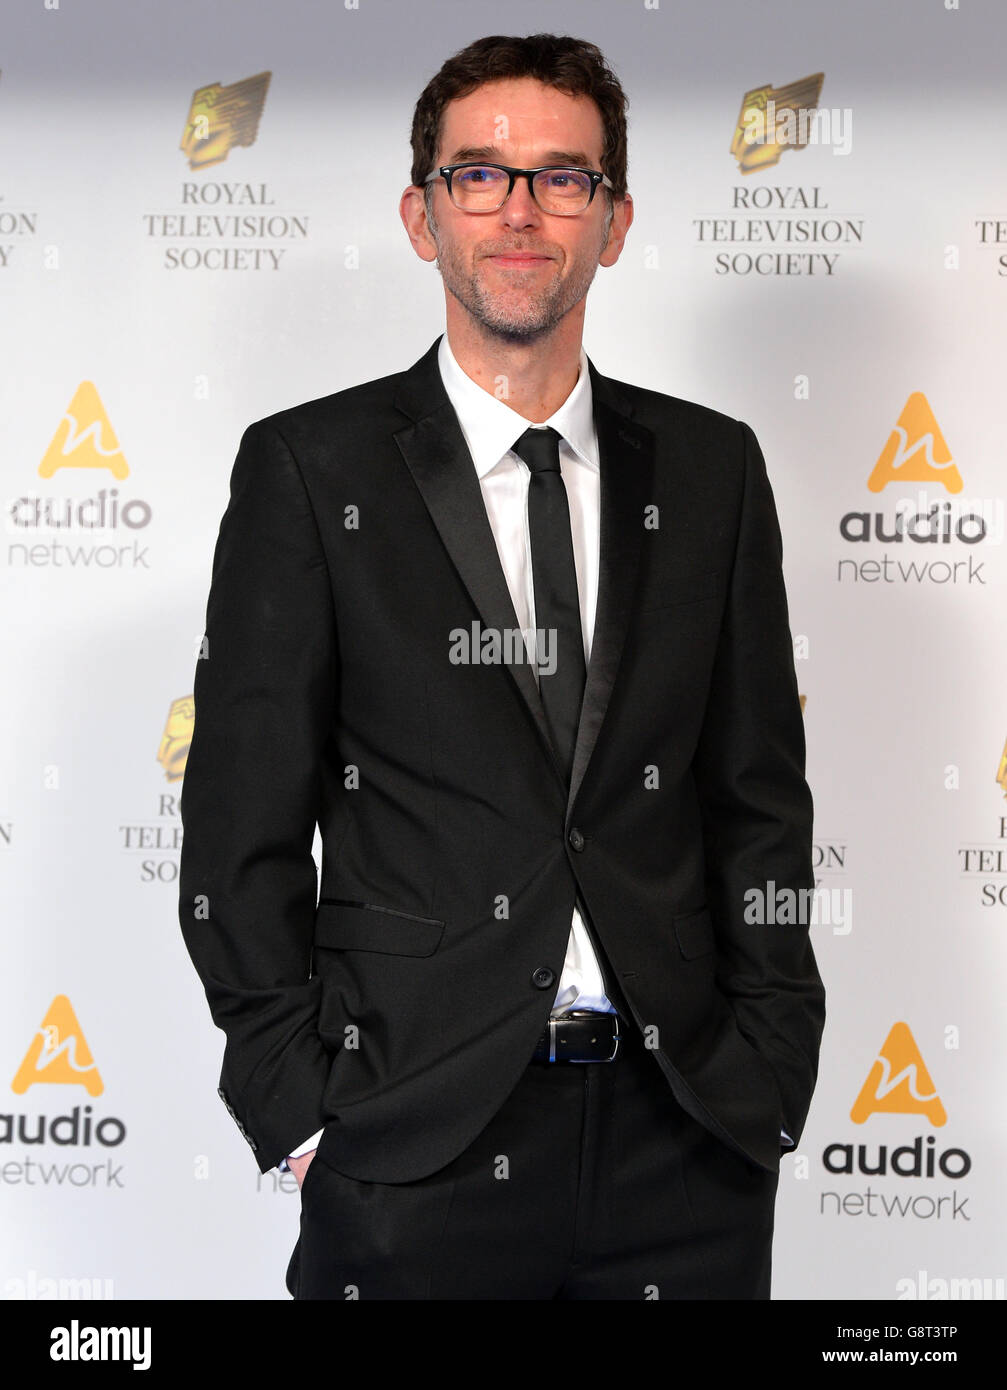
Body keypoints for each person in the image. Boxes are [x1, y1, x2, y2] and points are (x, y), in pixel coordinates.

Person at [179, 32, 825, 1301]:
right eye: (478, 176)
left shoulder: (709, 473)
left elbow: (757, 802)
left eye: (561, 179)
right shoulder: (312, 473)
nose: (519, 211)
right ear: (423, 217)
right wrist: (303, 1113)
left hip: (681, 1139)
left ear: (615, 221)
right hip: (410, 1139)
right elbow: (238, 827)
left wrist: (767, 1065)